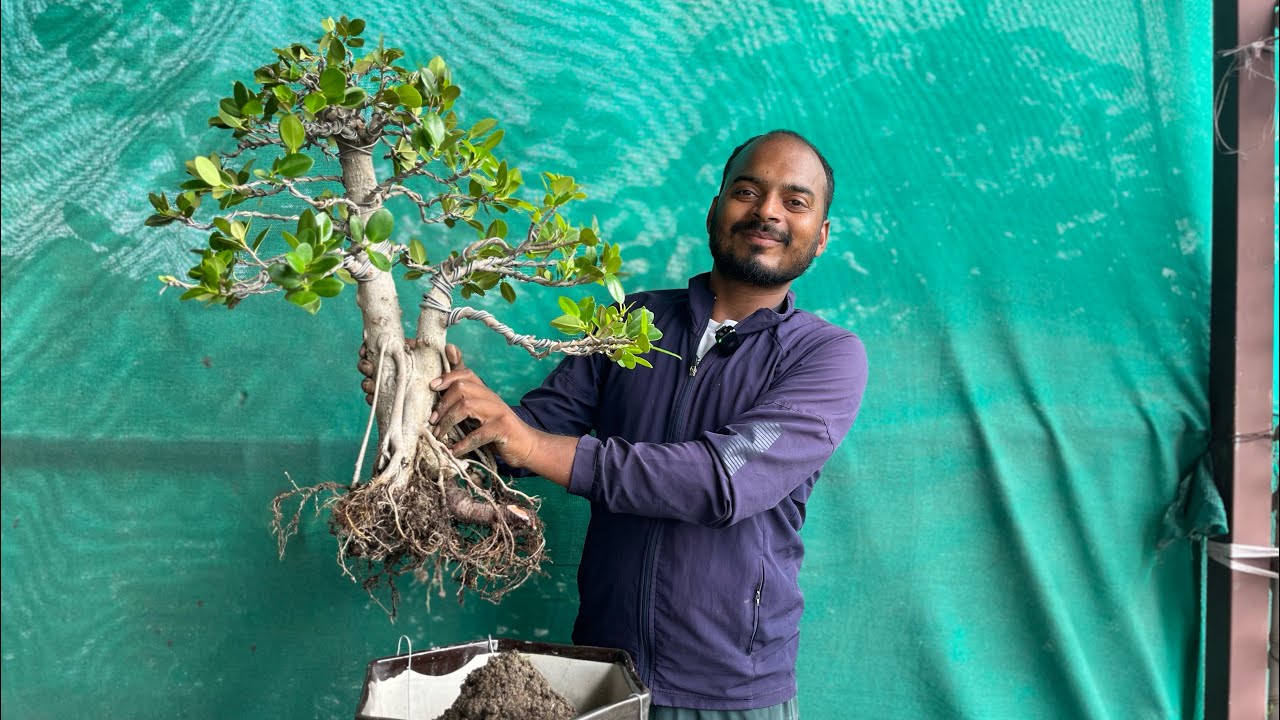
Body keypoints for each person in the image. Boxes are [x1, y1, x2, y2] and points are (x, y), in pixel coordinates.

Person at [400, 130, 867, 719]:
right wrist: (426, 401)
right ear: (714, 209)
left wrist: (532, 443)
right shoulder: (635, 321)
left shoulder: (825, 357)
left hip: (728, 694)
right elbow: (520, 439)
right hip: (600, 675)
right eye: (747, 191)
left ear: (821, 235)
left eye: (795, 201)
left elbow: (722, 482)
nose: (767, 211)